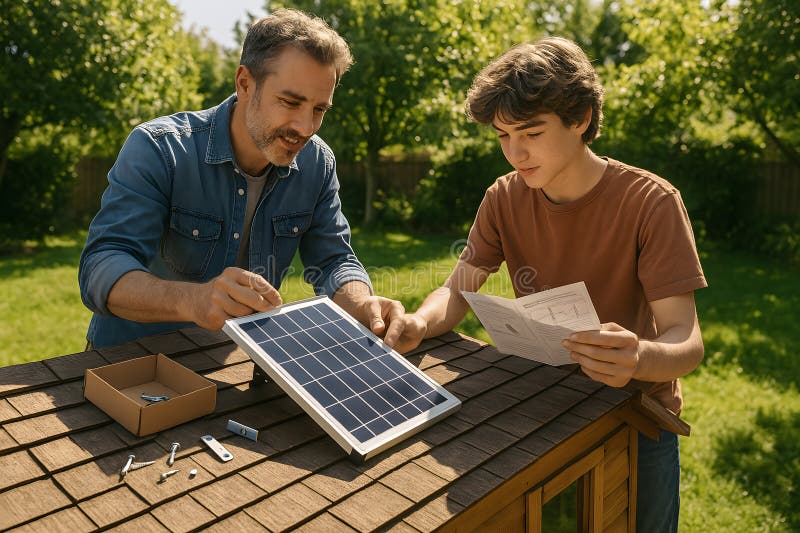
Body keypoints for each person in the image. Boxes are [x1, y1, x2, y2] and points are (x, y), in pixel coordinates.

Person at [396, 37, 706, 532]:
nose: (514, 153)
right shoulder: (503, 197)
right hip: (541, 406)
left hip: (635, 416)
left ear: (580, 117)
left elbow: (686, 341)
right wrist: (418, 322)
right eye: (502, 137)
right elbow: (457, 290)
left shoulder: (651, 202)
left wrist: (639, 358)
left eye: (531, 133)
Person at [79, 8, 407, 350]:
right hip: (128, 363)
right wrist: (193, 300)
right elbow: (101, 267)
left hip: (233, 362)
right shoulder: (160, 149)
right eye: (290, 102)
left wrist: (360, 302)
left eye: (319, 110)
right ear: (245, 83)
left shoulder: (318, 164)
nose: (305, 127)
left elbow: (334, 260)